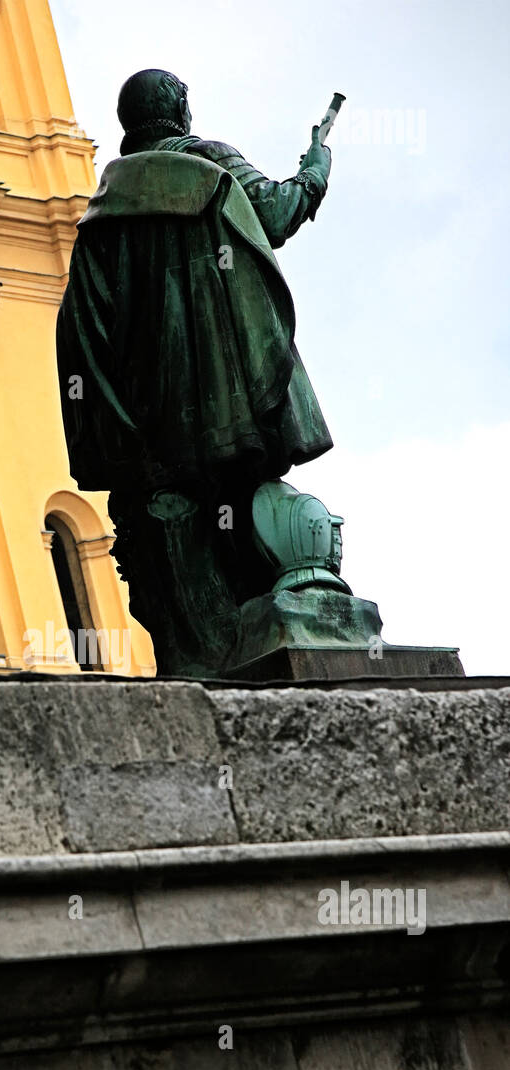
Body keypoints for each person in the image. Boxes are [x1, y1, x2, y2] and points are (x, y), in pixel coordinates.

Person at [57, 69, 334, 676]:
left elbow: (83, 337)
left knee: (182, 562)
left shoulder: (100, 222)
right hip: (235, 412)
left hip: (153, 434)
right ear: (181, 112)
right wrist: (316, 167)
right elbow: (280, 214)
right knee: (248, 541)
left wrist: (117, 435)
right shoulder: (212, 165)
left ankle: (208, 665)